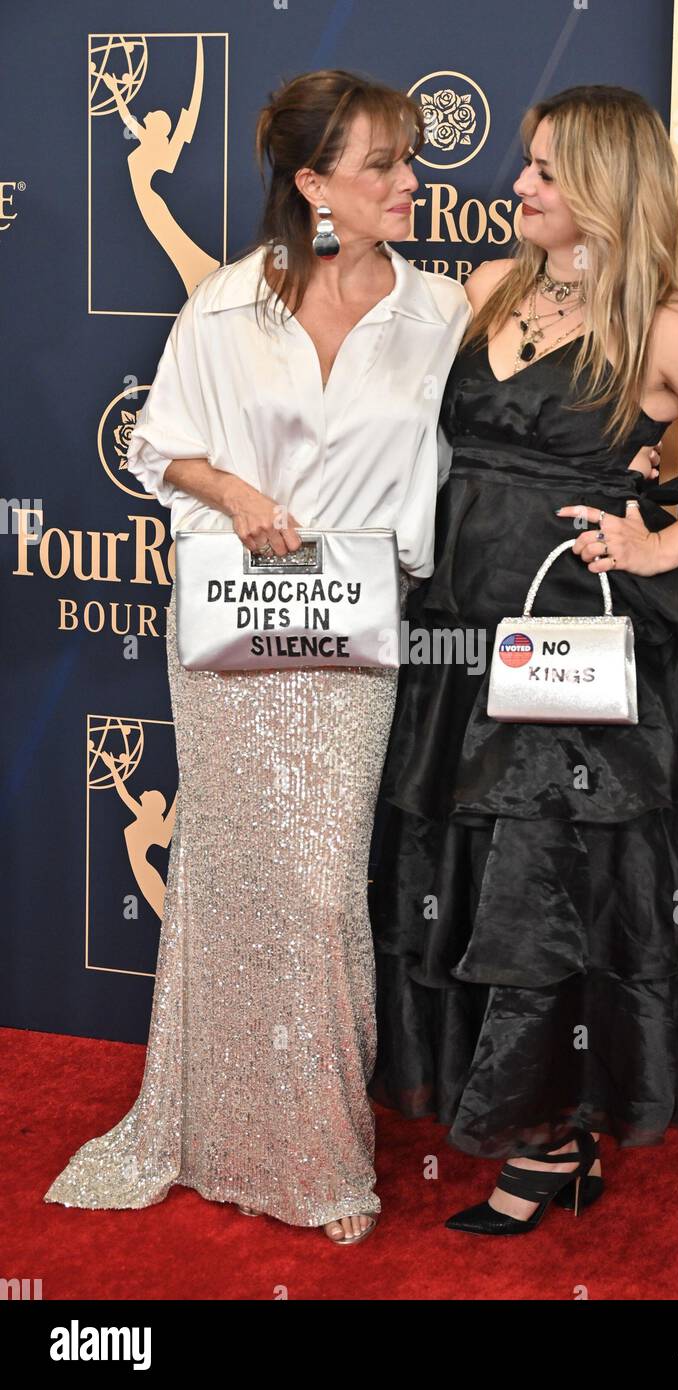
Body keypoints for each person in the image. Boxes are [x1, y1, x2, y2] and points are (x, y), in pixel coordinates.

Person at [368, 84, 678, 1235]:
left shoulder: (666, 331)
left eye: (545, 173)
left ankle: (555, 1140)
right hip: (455, 646)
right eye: (523, 165)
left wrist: (661, 540)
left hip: (568, 657)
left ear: (608, 192)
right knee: (465, 882)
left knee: (543, 892)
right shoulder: (487, 291)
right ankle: (529, 1126)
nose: (517, 186)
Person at [42, 69, 478, 1246]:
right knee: (237, 883)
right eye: (381, 163)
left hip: (354, 631)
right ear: (314, 185)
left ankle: (318, 1147)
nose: (408, 180)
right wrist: (236, 491)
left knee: (322, 881)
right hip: (236, 636)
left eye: (408, 159)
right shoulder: (230, 305)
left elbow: (503, 436)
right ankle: (221, 1127)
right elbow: (157, 447)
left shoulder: (441, 311)